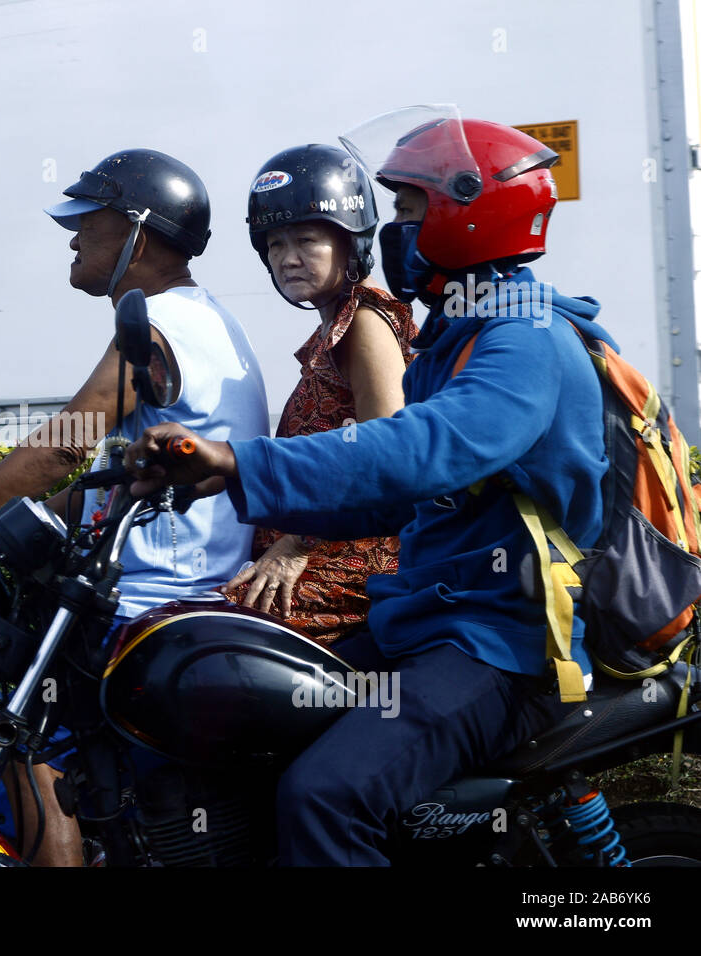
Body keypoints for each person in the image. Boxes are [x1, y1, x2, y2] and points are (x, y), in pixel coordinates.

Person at [126, 109, 606, 865]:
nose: (397, 232)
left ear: (470, 213)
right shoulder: (461, 334)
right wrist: (213, 483)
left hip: (500, 644)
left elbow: (420, 451)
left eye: (411, 210)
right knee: (255, 710)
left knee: (326, 796)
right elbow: (392, 498)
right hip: (425, 621)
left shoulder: (525, 339)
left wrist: (242, 463)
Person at [0, 148, 271, 864]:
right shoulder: (202, 318)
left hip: (147, 606)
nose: (72, 239)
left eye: (87, 225)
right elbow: (92, 477)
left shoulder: (159, 324)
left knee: (24, 741)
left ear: (140, 235)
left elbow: (64, 443)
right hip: (182, 601)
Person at [224, 145, 417, 644]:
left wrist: (296, 543)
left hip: (350, 558)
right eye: (275, 244)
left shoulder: (366, 321)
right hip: (316, 548)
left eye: (307, 240)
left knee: (217, 643)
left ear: (351, 241)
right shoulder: (339, 322)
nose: (288, 259)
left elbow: (385, 454)